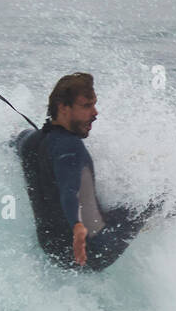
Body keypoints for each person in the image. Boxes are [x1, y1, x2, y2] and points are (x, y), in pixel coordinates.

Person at [14, 72, 160, 271]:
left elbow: (17, 141)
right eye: (86, 106)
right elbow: (69, 189)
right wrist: (77, 225)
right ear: (63, 108)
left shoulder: (28, 141)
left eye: (94, 104)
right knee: (158, 200)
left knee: (116, 209)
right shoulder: (70, 147)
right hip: (92, 251)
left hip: (53, 250)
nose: (95, 113)